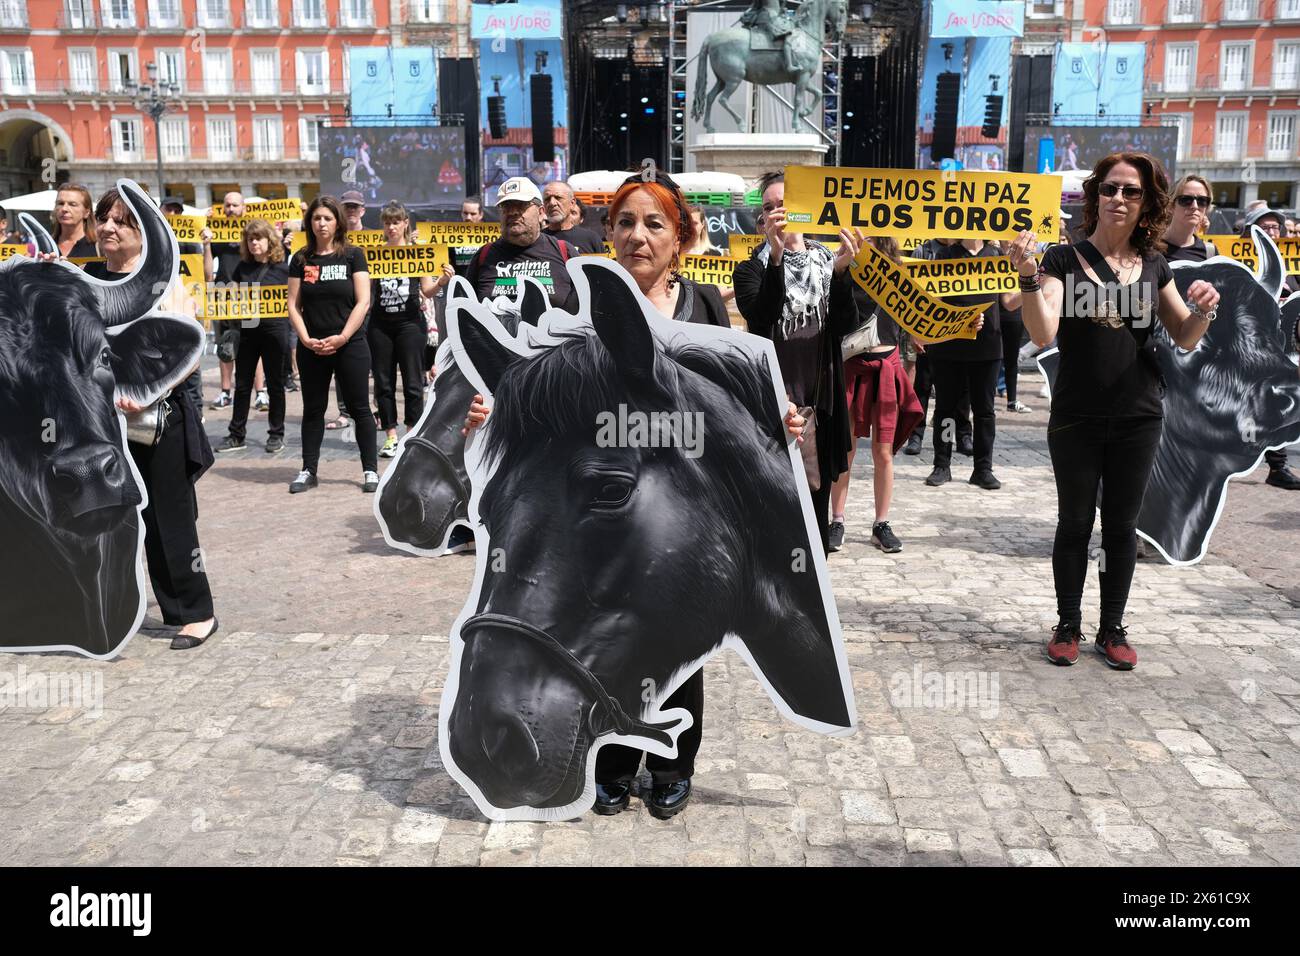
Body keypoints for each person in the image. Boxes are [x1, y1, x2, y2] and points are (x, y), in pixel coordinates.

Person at [463, 170, 805, 819]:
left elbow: (738, 393)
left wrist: (778, 419)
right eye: (625, 223)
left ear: (680, 237)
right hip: (605, 507)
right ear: (609, 234)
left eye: (654, 224)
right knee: (606, 639)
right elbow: (542, 395)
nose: (638, 236)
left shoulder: (704, 304)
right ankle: (614, 763)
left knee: (682, 648)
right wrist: (497, 406)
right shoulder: (577, 309)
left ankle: (674, 763)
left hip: (687, 503)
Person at [1010, 152, 1221, 671]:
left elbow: (1185, 336)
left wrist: (1204, 310)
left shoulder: (1155, 264)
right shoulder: (1063, 260)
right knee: (1074, 523)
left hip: (1138, 416)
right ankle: (1067, 625)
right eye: (1109, 188)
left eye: (1131, 191)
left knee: (1122, 527)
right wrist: (1029, 279)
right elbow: (1043, 332)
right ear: (1095, 195)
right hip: (1076, 414)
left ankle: (1113, 627)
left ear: (1147, 203)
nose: (1118, 198)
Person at [83, 188, 218, 650]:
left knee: (168, 517)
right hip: (100, 423)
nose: (108, 228)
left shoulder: (165, 283)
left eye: (121, 221)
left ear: (143, 232)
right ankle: (151, 607)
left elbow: (188, 353)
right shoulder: (85, 279)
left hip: (157, 420)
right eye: (103, 219)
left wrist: (142, 392)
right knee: (113, 518)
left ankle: (197, 613)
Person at [733, 170, 862, 553]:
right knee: (772, 511)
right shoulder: (751, 269)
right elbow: (761, 313)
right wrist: (776, 257)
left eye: (784, 205)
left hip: (819, 406)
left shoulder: (827, 263)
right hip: (772, 407)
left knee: (815, 510)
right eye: (768, 207)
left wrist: (841, 272)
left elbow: (846, 325)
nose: (776, 213)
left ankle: (815, 581)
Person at [828, 237, 924, 553]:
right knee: (845, 448)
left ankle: (881, 523)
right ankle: (837, 520)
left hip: (886, 365)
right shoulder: (843, 270)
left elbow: (923, 315)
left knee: (883, 452)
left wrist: (966, 324)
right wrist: (841, 267)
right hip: (851, 365)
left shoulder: (899, 274)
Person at [286, 195, 378, 494]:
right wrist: (305, 339)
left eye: (327, 218)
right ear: (309, 222)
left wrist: (343, 337)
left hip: (350, 344)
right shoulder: (301, 259)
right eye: (316, 218)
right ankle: (308, 470)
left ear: (337, 222)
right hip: (312, 346)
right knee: (313, 409)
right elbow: (293, 305)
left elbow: (363, 301)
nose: (321, 223)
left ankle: (370, 470)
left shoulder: (353, 255)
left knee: (360, 408)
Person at [371, 200, 452, 459]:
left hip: (410, 324)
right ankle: (390, 436)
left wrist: (442, 281)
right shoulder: (375, 253)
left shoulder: (417, 252)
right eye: (387, 222)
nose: (391, 227)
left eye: (396, 222)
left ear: (405, 223)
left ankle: (411, 434)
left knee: (413, 383)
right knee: (383, 383)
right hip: (380, 325)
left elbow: (427, 291)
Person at [924, 237, 1002, 490]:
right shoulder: (945, 255)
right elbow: (934, 300)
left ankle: (983, 468)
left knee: (984, 412)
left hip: (987, 347)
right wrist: (962, 319)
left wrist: (1033, 279)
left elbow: (1010, 300)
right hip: (948, 347)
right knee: (945, 410)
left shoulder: (996, 256)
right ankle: (942, 464)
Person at [213, 219, 292, 455]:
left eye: (258, 238)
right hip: (248, 331)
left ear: (270, 240)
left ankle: (276, 434)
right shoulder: (243, 267)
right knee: (243, 385)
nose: (254, 243)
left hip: (275, 331)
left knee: (275, 385)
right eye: (250, 239)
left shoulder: (282, 268)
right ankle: (237, 434)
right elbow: (234, 296)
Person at [1239, 205, 1300, 490]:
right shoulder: (1239, 265)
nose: (1272, 232)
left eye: (1276, 227)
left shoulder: (1293, 265)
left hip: (1282, 347)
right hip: (1247, 346)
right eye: (1265, 227)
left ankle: (1277, 465)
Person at [465, 176, 580, 309]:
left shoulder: (565, 252)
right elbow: (467, 311)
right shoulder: (484, 255)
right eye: (506, 206)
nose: (513, 212)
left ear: (541, 212)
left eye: (521, 205)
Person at [202, 190, 248, 408]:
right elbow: (207, 272)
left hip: (249, 292)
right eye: (227, 205)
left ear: (244, 208)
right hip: (222, 293)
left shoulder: (252, 232)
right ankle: (225, 392)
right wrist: (206, 243)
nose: (231, 209)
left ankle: (260, 392)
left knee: (252, 345)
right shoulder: (217, 233)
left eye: (235, 205)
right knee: (225, 345)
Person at [1162, 175, 1219, 263]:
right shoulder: (1150, 248)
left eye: (1202, 201)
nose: (1195, 206)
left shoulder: (1210, 252)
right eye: (1186, 200)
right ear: (1171, 205)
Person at [541, 180, 605, 254]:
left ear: (572, 203)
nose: (552, 203)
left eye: (558, 198)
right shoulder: (536, 240)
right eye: (547, 199)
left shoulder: (591, 239)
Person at [52, 184, 100, 259]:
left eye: (72, 204)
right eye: (60, 203)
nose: (64, 209)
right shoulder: (46, 244)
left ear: (86, 212)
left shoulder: (99, 247)